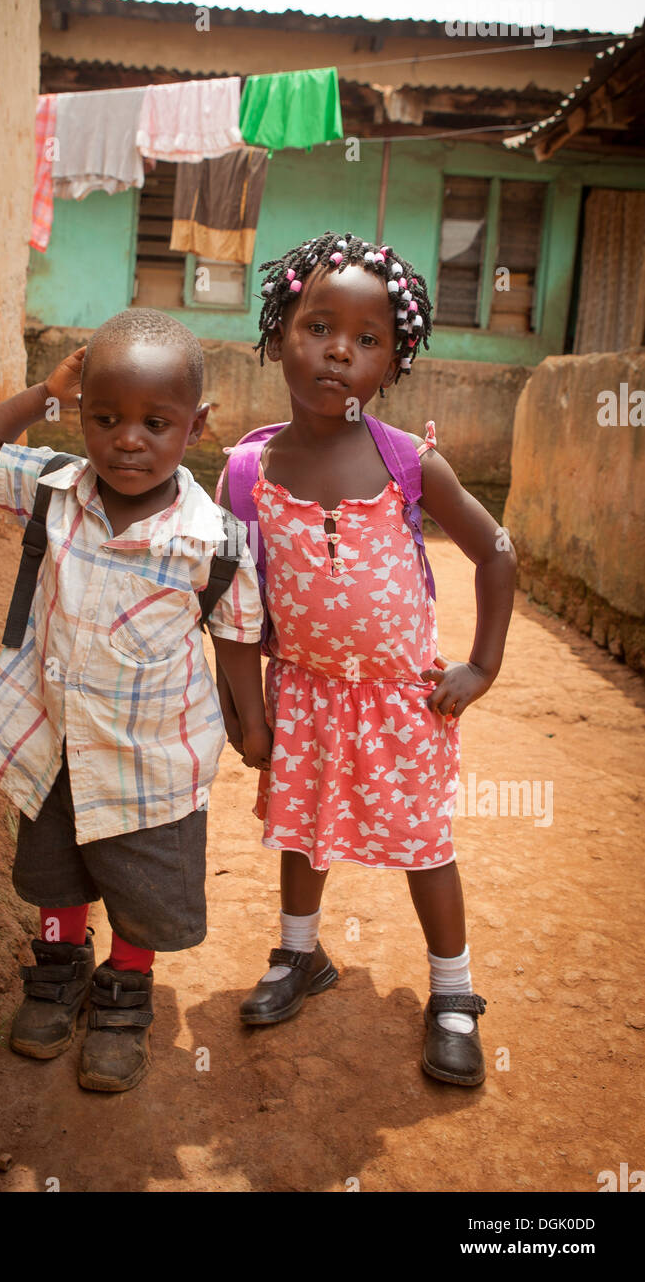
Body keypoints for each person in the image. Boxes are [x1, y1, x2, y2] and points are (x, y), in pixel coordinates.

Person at [216, 232, 517, 1086]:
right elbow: (231, 608)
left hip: (400, 700)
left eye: (367, 338)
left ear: (394, 358)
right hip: (303, 694)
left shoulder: (408, 464)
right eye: (317, 325)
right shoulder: (246, 471)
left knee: (425, 845)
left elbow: (495, 551)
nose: (338, 350)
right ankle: (298, 956)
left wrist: (480, 668)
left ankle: (453, 994)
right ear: (279, 332)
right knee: (303, 829)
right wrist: (246, 711)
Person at [0, 308, 269, 1092]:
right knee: (56, 875)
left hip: (153, 757)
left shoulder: (215, 542)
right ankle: (58, 972)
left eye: (155, 423)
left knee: (140, 884)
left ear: (196, 426)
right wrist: (45, 392)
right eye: (104, 418)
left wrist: (252, 728)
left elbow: (235, 642)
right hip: (57, 739)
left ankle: (125, 994)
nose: (128, 439)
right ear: (81, 415)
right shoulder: (55, 489)